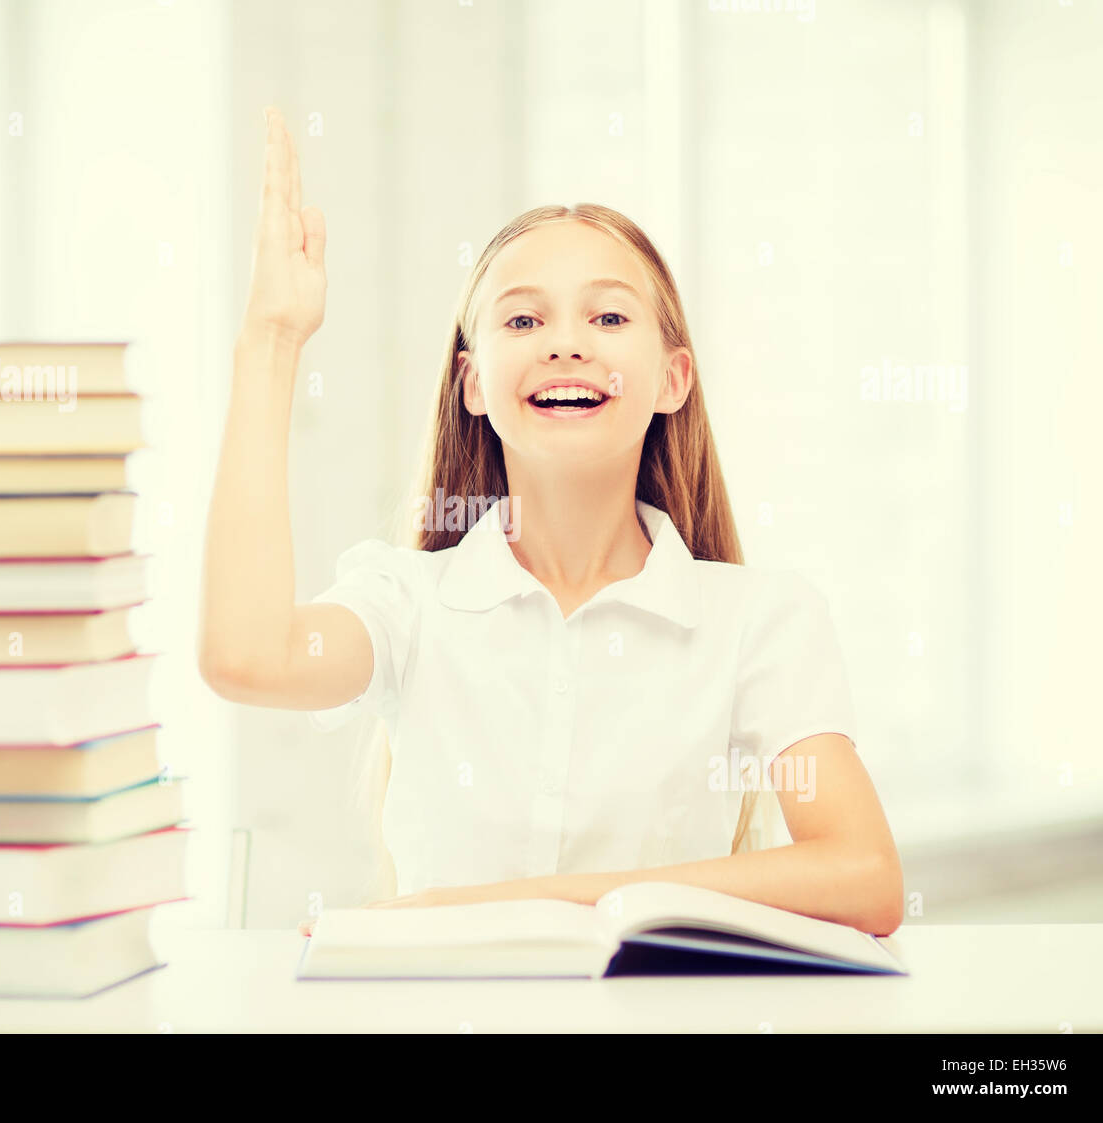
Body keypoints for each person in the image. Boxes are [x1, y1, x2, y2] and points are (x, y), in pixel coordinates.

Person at [200, 106, 903, 940]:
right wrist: (271, 340)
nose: (565, 343)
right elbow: (245, 656)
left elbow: (864, 876)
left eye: (608, 317)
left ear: (673, 378)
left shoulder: (762, 621)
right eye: (524, 319)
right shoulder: (406, 602)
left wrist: (506, 907)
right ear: (472, 383)